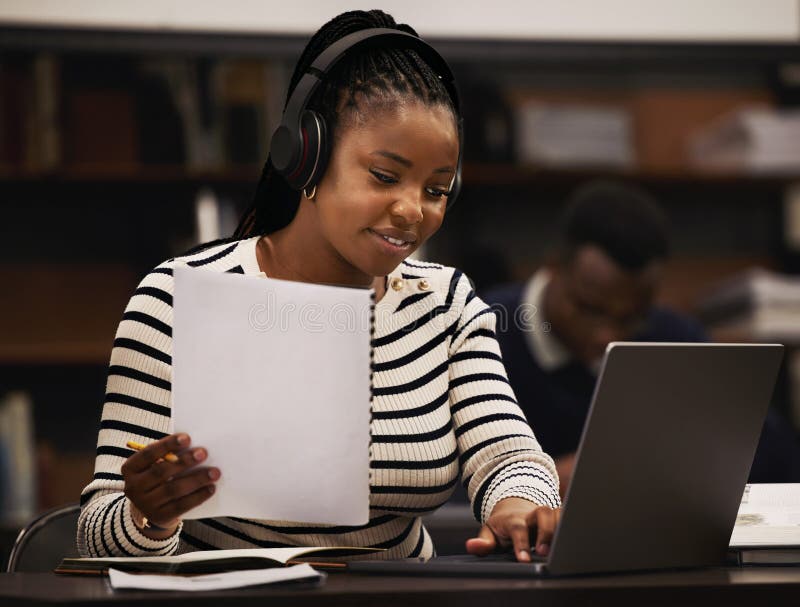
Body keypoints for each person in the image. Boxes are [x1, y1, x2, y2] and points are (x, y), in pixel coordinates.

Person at [77, 10, 560, 563]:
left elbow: (507, 455)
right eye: (384, 176)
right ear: (306, 154)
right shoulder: (173, 298)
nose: (411, 211)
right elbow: (97, 530)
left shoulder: (446, 303)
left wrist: (523, 502)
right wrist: (148, 513)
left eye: (436, 189)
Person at [484, 180, 800, 499]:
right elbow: (439, 488)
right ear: (553, 267)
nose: (607, 336)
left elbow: (774, 459)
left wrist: (691, 456)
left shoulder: (672, 340)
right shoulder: (483, 331)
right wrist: (539, 479)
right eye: (590, 309)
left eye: (630, 318)